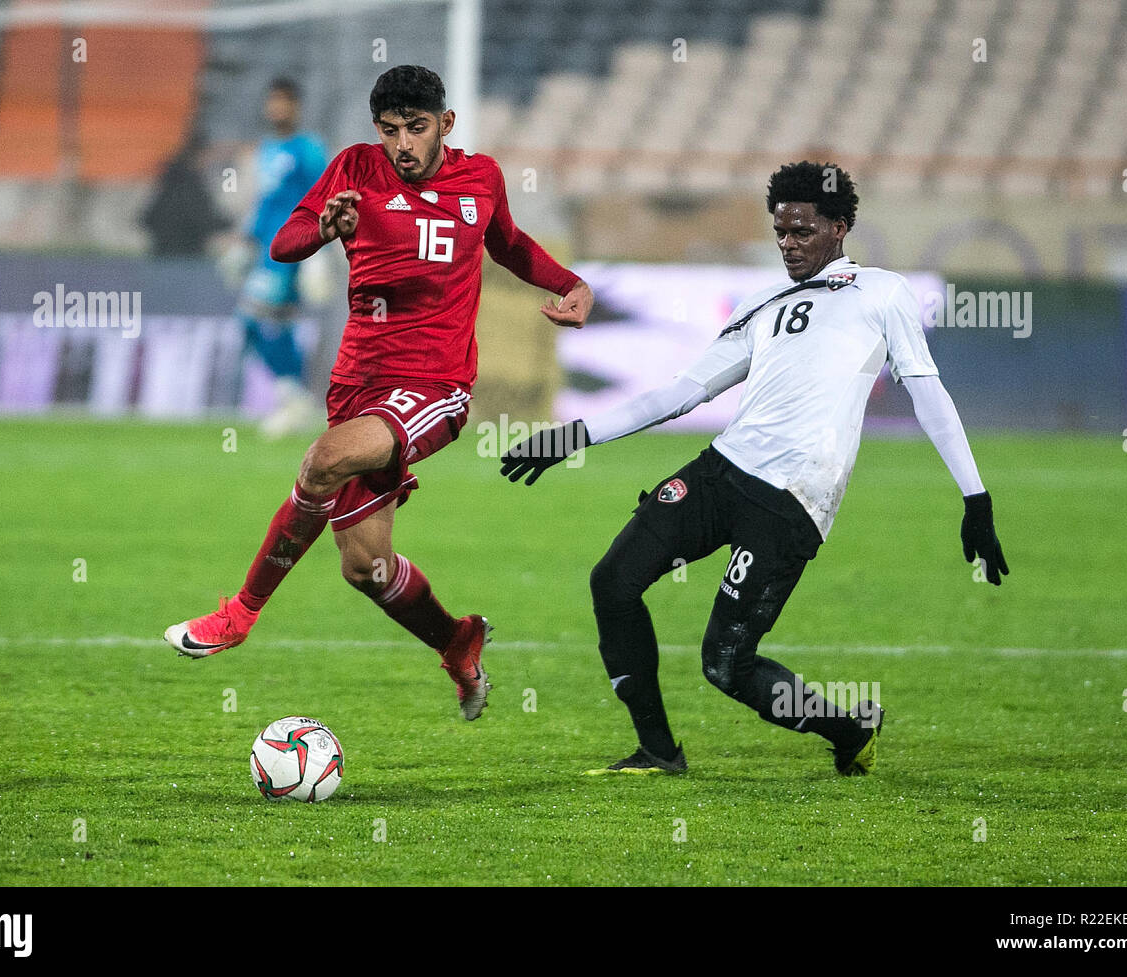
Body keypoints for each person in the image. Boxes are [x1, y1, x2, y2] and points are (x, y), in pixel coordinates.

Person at [500, 161, 1007, 774]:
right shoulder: (764, 300)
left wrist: (974, 497)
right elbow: (681, 393)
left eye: (803, 231)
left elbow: (928, 393)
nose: (789, 244)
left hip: (792, 499)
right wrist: (572, 437)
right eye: (781, 233)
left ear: (840, 227)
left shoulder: (882, 293)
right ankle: (657, 751)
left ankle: (848, 729)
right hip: (723, 473)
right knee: (613, 580)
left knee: (725, 665)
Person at [166, 66, 595, 721]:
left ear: (444, 125)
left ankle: (240, 612)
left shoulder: (480, 179)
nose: (403, 144)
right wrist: (324, 227)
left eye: (416, 129)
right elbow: (284, 244)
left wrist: (571, 285)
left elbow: (509, 245)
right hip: (357, 384)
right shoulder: (355, 169)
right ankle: (457, 640)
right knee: (365, 565)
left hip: (435, 385)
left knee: (323, 460)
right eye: (391, 130)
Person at [235, 77, 328, 438]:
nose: (276, 109)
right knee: (278, 324)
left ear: (296, 106)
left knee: (250, 318)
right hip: (265, 251)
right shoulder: (266, 150)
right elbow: (265, 204)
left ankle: (294, 397)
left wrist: (317, 254)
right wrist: (245, 242)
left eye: (283, 102)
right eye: (272, 101)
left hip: (292, 251)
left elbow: (324, 194)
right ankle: (295, 400)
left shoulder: (308, 149)